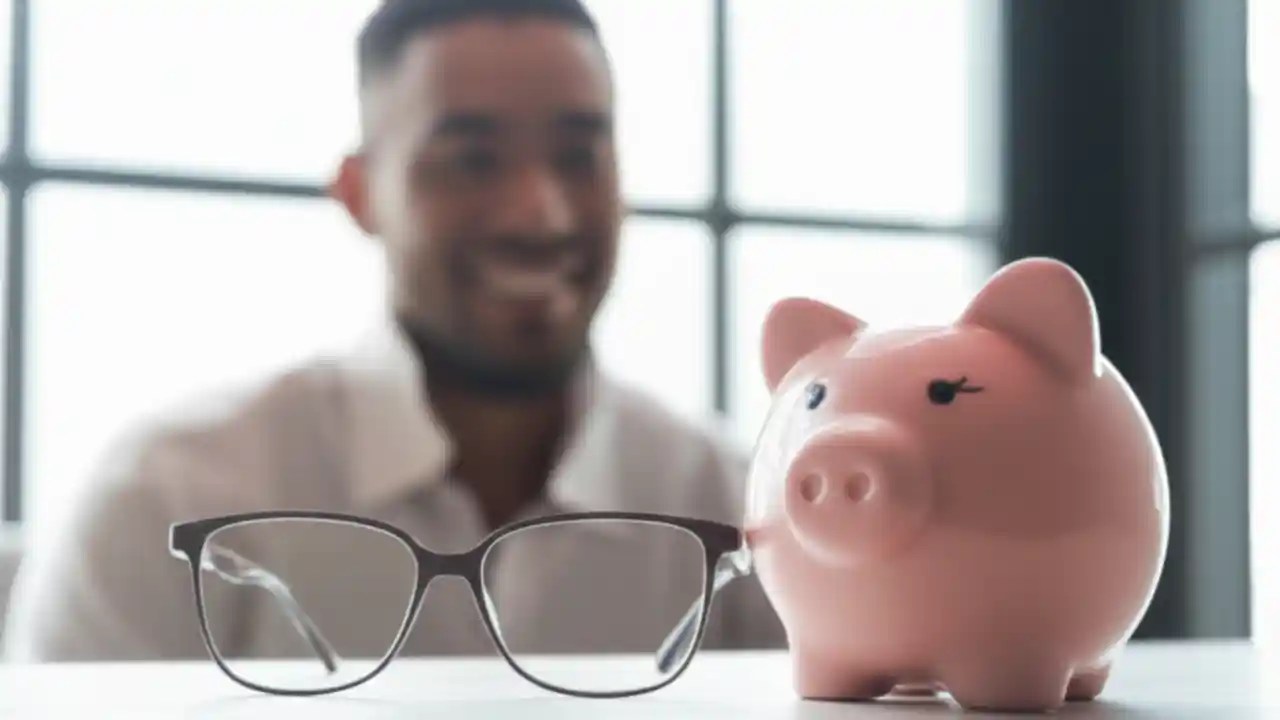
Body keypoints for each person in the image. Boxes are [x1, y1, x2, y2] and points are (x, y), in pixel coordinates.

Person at [3, 0, 784, 661]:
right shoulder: (165, 501)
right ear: (360, 193)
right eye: (472, 160)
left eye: (579, 156)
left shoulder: (734, 506)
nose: (539, 212)